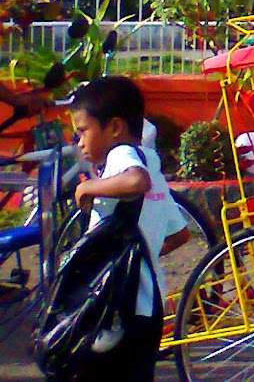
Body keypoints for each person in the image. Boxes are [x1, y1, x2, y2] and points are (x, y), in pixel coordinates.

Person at [67, 76, 187, 382]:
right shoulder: (153, 163)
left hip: (118, 307)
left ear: (115, 128)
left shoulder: (123, 156)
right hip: (149, 306)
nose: (79, 142)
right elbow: (178, 234)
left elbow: (136, 181)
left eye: (83, 131)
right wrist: (136, 254)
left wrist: (89, 188)